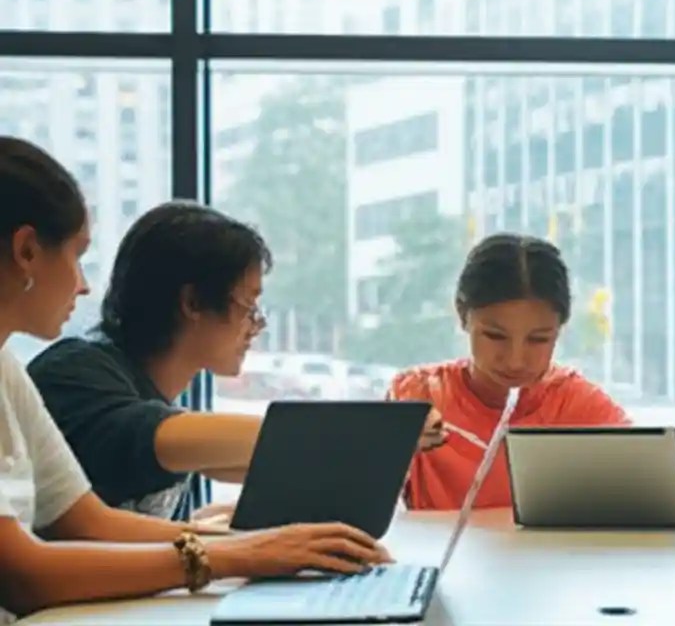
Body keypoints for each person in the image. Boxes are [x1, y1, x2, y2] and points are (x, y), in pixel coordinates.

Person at [0, 136, 388, 622]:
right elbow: (19, 574)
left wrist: (259, 546)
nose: (82, 283)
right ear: (27, 251)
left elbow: (87, 519)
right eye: (76, 256)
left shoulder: (7, 369)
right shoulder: (73, 371)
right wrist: (237, 553)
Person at [27, 202, 445, 522]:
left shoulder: (154, 395)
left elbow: (261, 460)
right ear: (192, 302)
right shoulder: (76, 373)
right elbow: (164, 439)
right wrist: (371, 432)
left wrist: (380, 445)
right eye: (249, 306)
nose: (256, 326)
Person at [388, 233, 631, 510]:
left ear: (560, 328)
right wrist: (390, 450)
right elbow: (351, 502)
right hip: (439, 554)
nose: (516, 361)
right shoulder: (417, 397)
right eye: (495, 336)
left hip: (548, 555)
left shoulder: (579, 407)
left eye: (538, 339)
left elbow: (660, 481)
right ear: (462, 315)